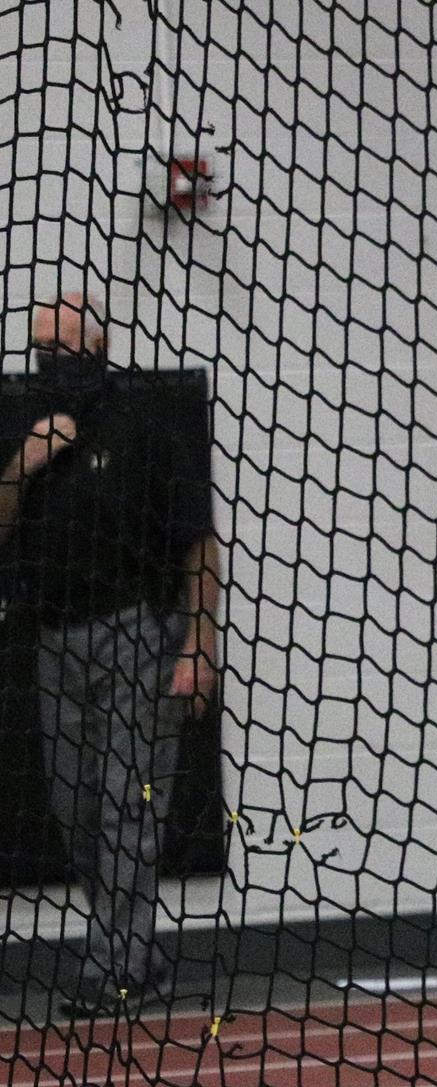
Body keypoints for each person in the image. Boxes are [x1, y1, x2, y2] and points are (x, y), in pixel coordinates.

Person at [0, 291, 219, 1016]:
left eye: (63, 350)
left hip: (136, 635)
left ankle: (116, 966)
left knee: (132, 804)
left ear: (96, 346)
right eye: (41, 353)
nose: (51, 366)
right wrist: (22, 466)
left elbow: (198, 541)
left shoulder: (144, 424)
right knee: (78, 808)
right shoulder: (27, 426)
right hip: (54, 639)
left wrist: (199, 645)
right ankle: (139, 953)